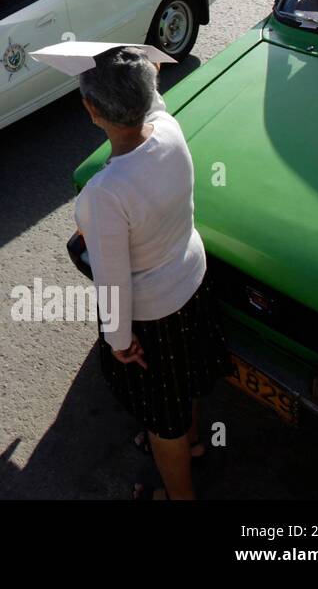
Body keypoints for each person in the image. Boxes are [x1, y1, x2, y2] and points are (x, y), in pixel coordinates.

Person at [61, 45, 230, 501]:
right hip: (192, 279)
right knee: (188, 379)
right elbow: (151, 99)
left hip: (156, 315)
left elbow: (112, 281)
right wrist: (135, 69)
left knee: (162, 422)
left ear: (92, 110)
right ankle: (193, 441)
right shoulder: (169, 130)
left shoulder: (105, 193)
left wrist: (119, 342)